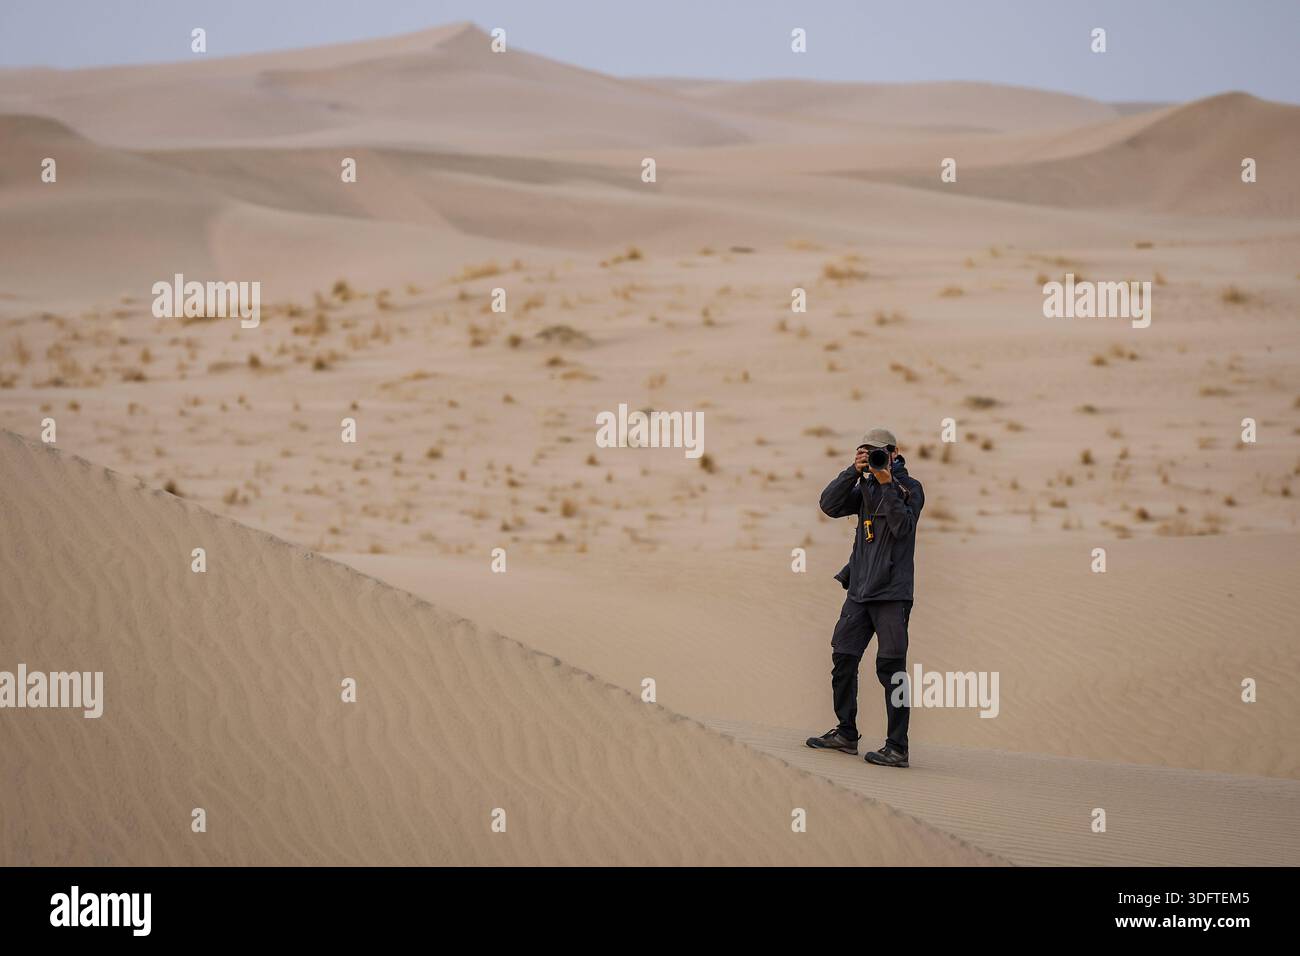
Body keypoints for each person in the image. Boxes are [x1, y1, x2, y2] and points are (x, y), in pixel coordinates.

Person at [806, 426, 924, 767]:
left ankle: (897, 747)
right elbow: (828, 505)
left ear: (894, 452)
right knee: (842, 658)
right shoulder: (862, 487)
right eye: (866, 452)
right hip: (859, 592)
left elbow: (903, 528)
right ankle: (845, 733)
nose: (873, 457)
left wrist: (886, 482)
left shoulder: (910, 488)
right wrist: (851, 473)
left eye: (878, 452)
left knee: (891, 671)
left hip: (891, 595)